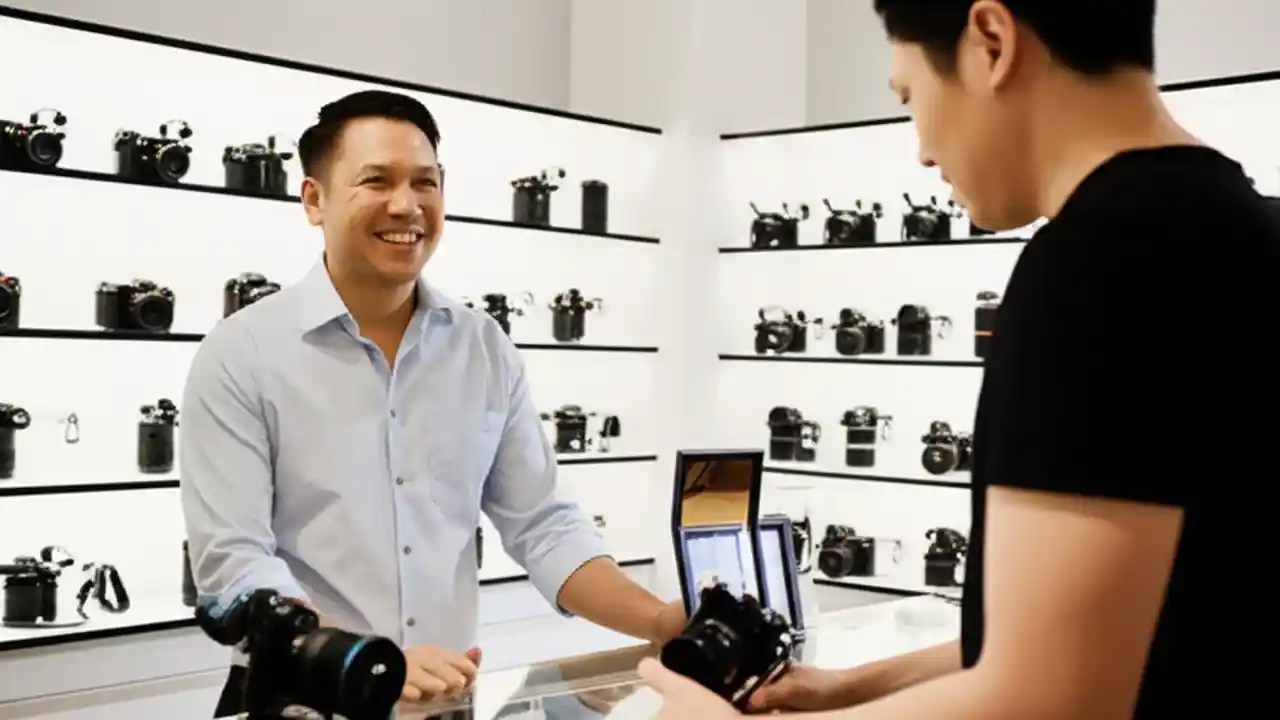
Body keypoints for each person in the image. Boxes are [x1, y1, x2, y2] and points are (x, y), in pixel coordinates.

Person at [639, 1, 1276, 717]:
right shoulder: (1245, 227)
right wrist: (848, 688)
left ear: (991, 43)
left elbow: (1050, 698)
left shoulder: (1098, 260)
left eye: (911, 96)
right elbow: (1101, 627)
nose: (923, 151)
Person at [180, 89, 687, 718]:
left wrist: (663, 619)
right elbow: (234, 566)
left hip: (446, 699)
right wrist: (359, 657)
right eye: (376, 180)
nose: (407, 205)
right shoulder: (243, 352)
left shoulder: (482, 347)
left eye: (426, 182)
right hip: (301, 699)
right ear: (314, 200)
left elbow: (543, 524)